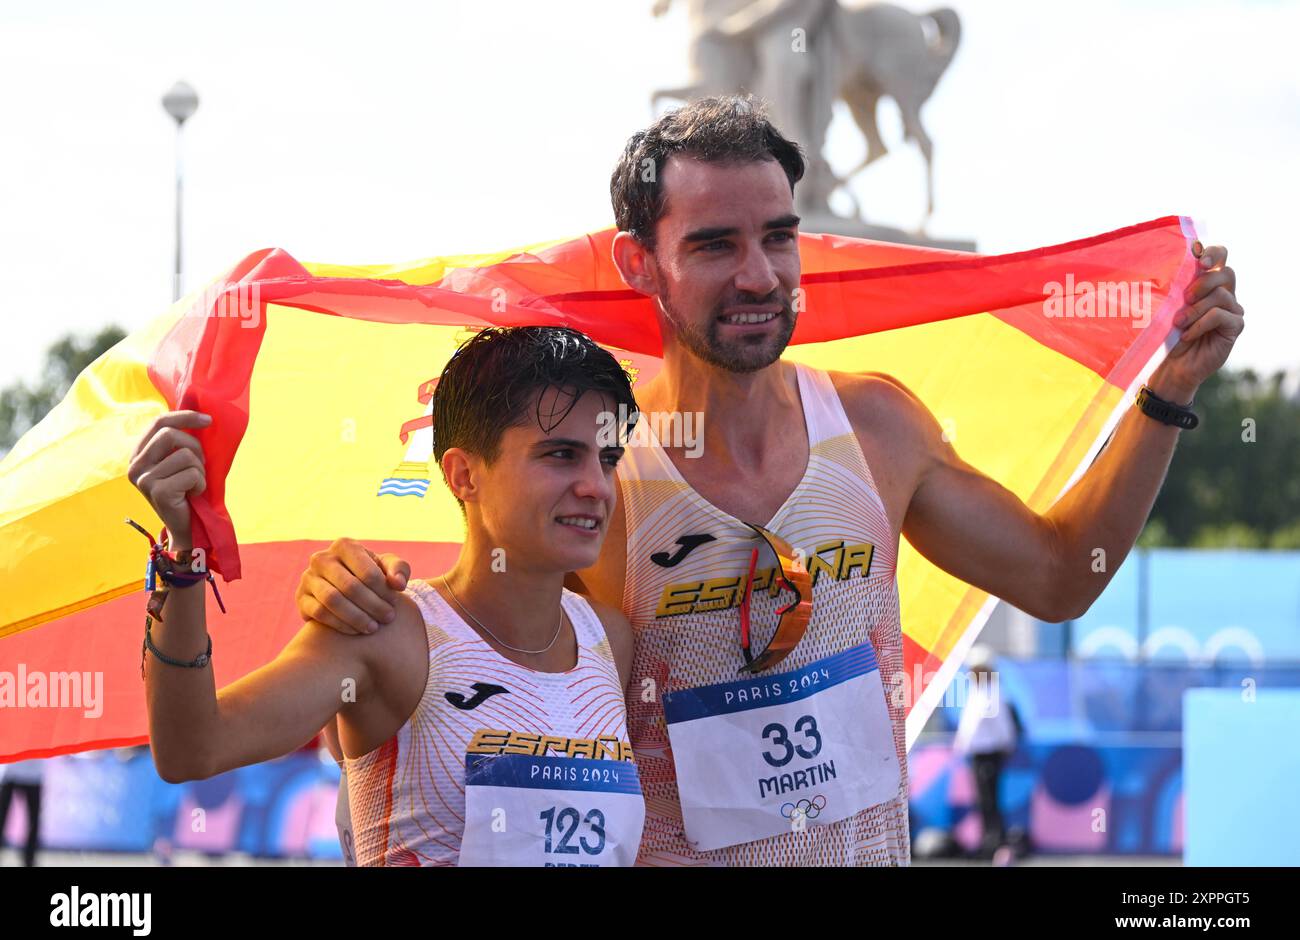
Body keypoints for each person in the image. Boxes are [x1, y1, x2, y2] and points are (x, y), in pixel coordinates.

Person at [294, 96, 1244, 866]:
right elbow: (481, 662)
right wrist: (362, 611)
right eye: (714, 245)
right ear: (642, 263)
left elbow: (1058, 576)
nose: (759, 276)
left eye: (778, 239)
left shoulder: (874, 427)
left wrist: (1164, 397)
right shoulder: (603, 477)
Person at [128, 326, 645, 866]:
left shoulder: (610, 640)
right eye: (562, 455)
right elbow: (192, 747)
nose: (596, 486)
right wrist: (183, 552)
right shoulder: (387, 632)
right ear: (464, 474)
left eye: (607, 459)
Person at [952, 646, 1020, 860]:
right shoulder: (978, 691)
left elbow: (1001, 726)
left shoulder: (992, 692)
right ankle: (989, 841)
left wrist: (1005, 745)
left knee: (990, 800)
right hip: (979, 754)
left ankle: (995, 843)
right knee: (984, 801)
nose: (971, 674)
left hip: (989, 753)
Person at [0, 758, 45, 866]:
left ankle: (29, 857)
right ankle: (29, 857)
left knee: (34, 821)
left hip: (34, 774)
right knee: (1, 817)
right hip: (11, 772)